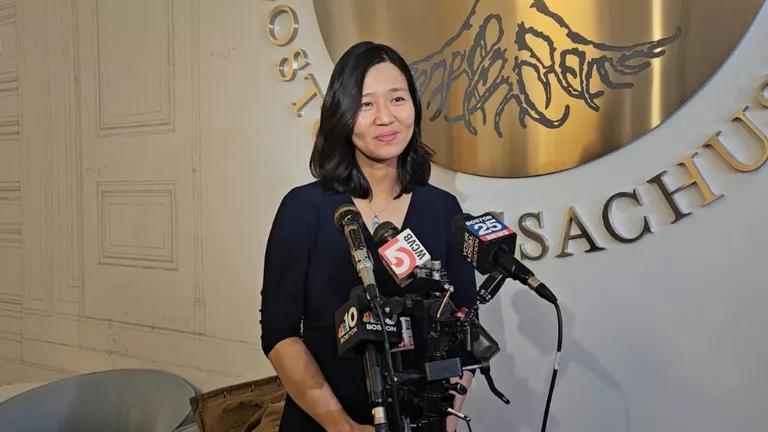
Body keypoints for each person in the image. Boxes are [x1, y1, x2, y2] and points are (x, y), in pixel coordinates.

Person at [260, 41, 477, 432]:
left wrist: (446, 419)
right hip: (323, 424)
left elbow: (464, 325)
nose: (385, 118)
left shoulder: (443, 209)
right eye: (365, 104)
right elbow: (280, 335)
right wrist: (340, 425)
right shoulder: (304, 209)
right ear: (341, 114)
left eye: (397, 99)